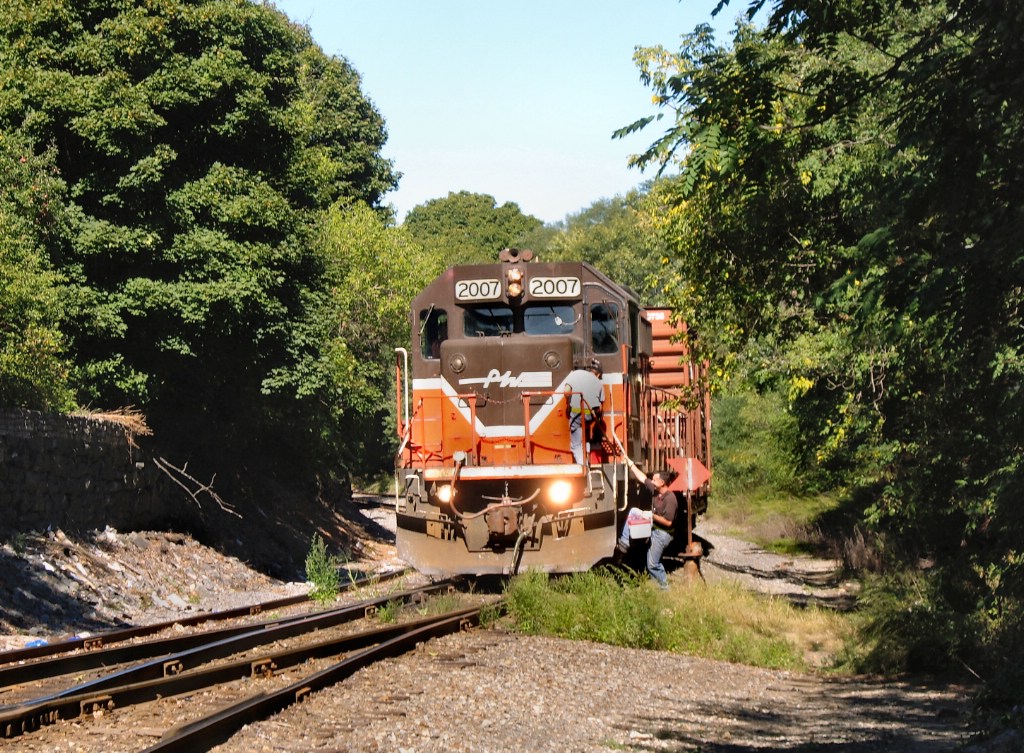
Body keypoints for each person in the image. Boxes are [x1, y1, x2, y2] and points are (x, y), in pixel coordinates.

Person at [616, 461, 677, 590]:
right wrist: (631, 464)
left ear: (662, 483)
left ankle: (665, 588)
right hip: (654, 527)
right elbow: (643, 478)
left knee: (652, 563)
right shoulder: (656, 490)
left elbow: (668, 522)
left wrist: (651, 516)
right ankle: (624, 542)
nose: (652, 482)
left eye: (655, 480)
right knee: (633, 511)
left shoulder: (671, 499)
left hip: (663, 534)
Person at [564, 359, 605, 464]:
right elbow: (601, 406)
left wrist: (568, 404)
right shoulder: (599, 383)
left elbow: (566, 392)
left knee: (576, 444)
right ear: (598, 374)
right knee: (584, 430)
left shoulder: (575, 374)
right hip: (590, 416)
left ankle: (583, 465)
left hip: (576, 414)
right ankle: (587, 448)